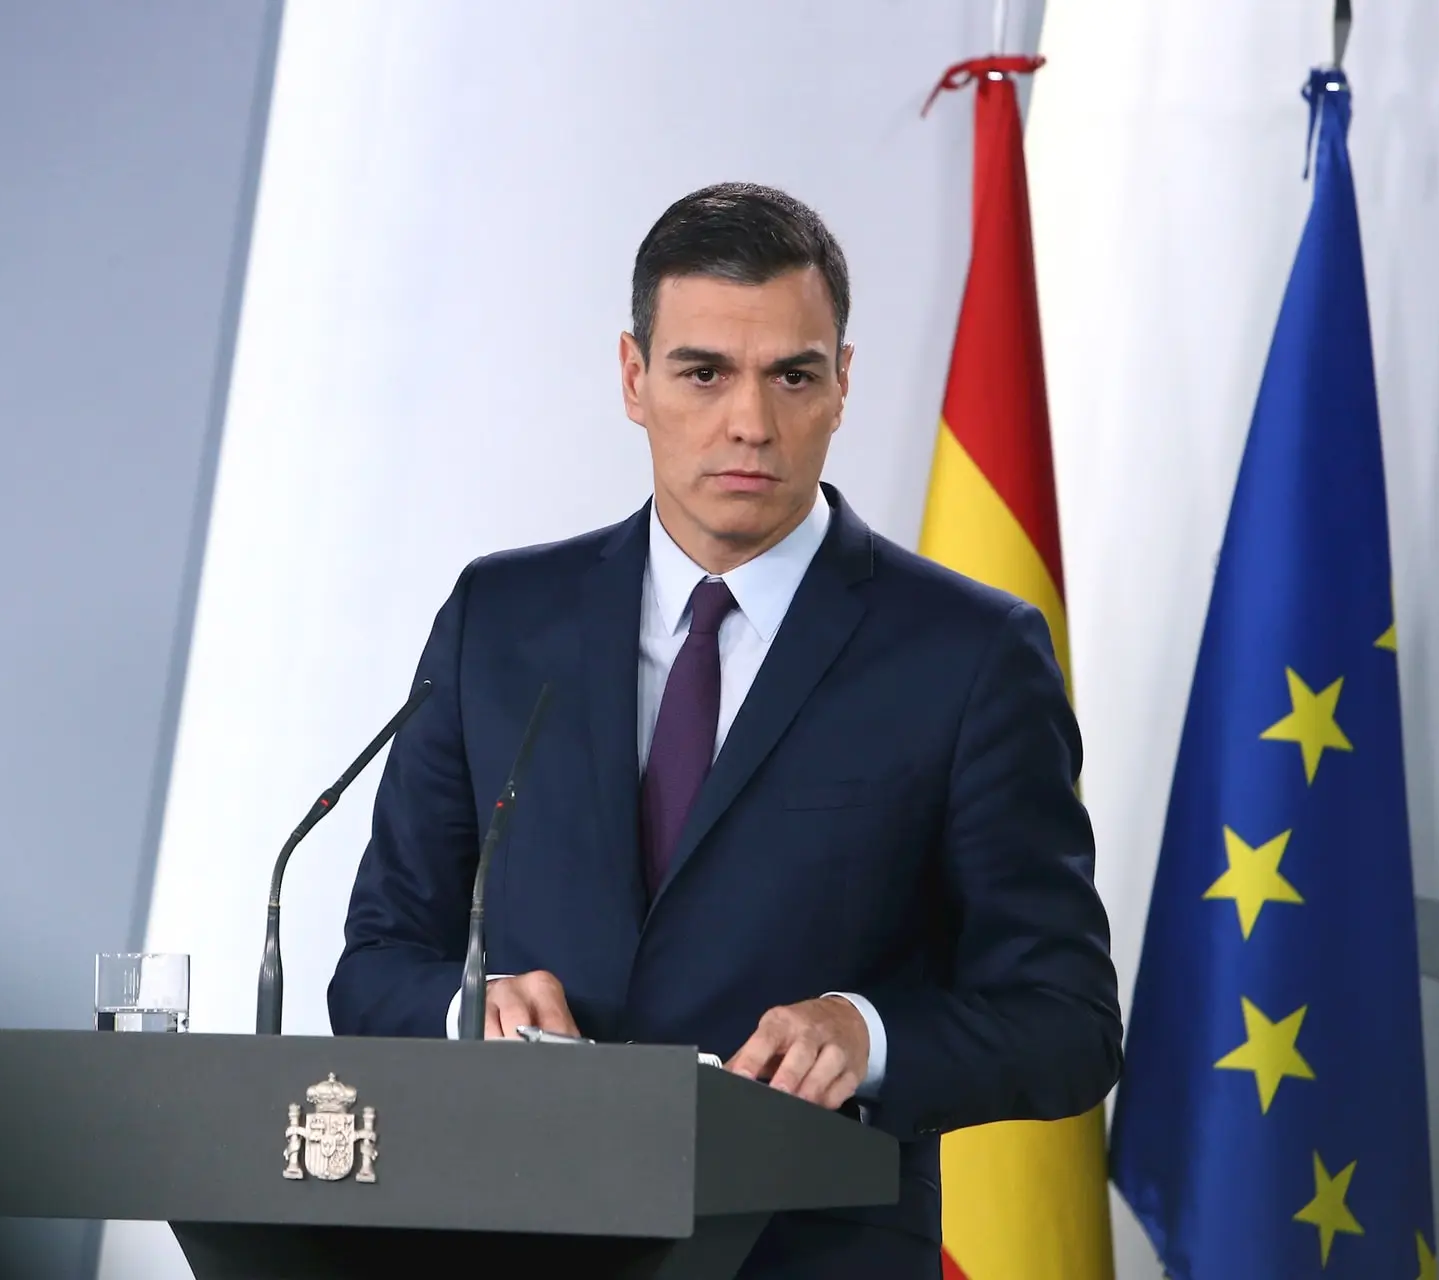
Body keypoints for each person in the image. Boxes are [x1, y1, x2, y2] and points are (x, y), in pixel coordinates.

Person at [329, 182, 1120, 1279]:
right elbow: (377, 964)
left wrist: (867, 1034)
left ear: (842, 384)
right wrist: (472, 1009)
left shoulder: (970, 653)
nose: (750, 422)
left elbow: (1066, 1020)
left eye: (792, 375)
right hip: (515, 1240)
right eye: (704, 372)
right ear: (633, 377)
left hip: (806, 1254)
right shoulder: (499, 620)